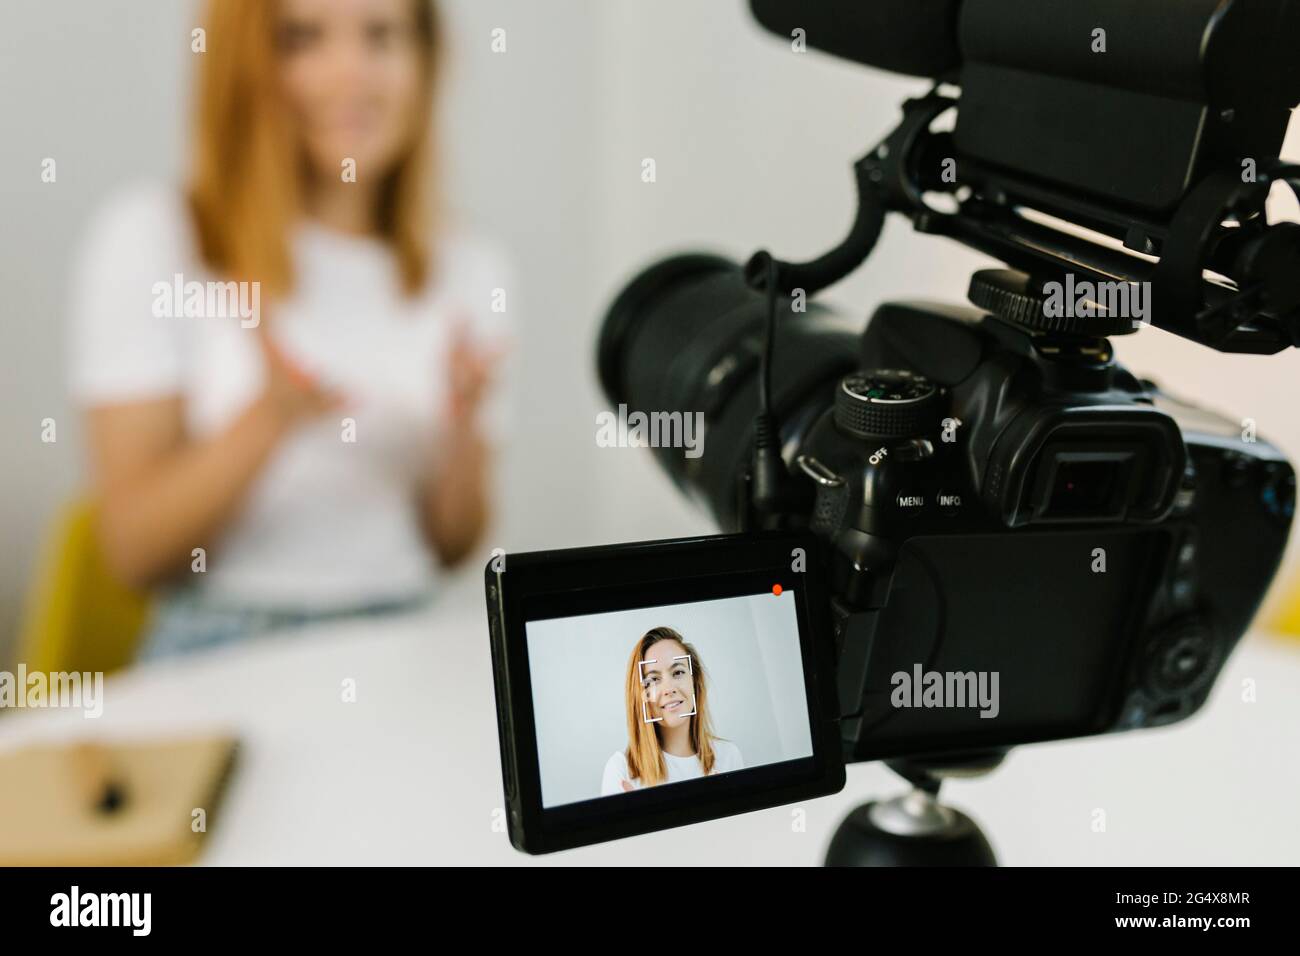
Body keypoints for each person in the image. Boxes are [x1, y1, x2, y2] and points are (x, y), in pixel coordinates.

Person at [68, 0, 511, 659]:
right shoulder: (156, 237)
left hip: (407, 635)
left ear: (424, 59)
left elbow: (451, 546)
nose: (352, 74)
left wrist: (463, 429)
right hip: (221, 639)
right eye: (303, 38)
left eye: (381, 36)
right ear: (244, 62)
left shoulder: (472, 267)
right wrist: (269, 417)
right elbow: (134, 553)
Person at [601, 626, 744, 795]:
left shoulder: (728, 756)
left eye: (678, 672)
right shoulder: (621, 769)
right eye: (654, 679)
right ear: (640, 695)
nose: (669, 688)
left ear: (694, 682)